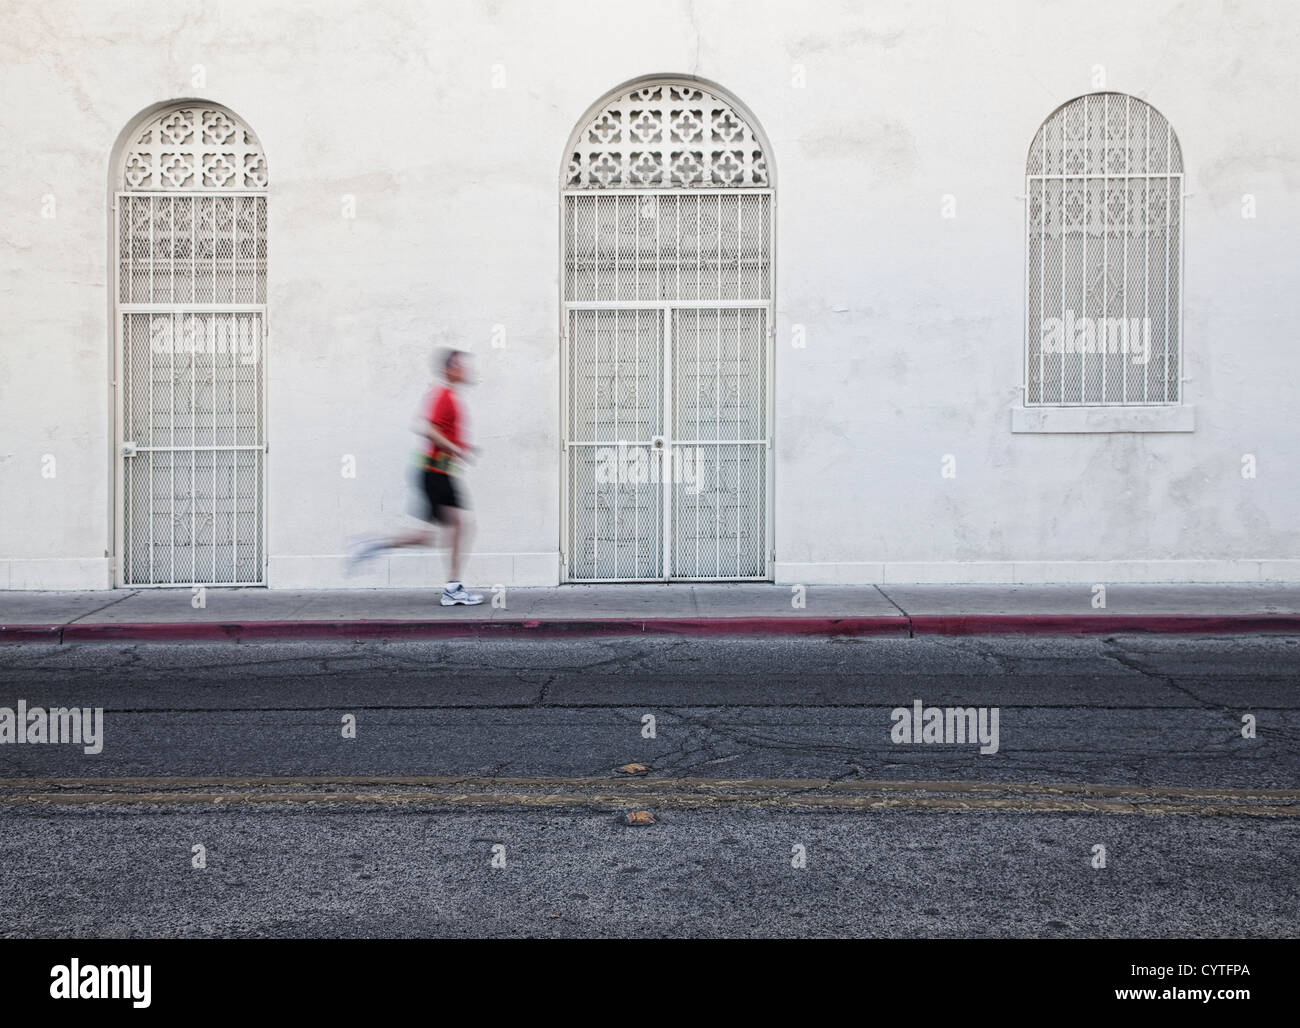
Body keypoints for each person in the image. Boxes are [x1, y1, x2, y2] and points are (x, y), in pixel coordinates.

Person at [347, 348, 484, 605]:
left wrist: (461, 449)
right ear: (449, 369)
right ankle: (374, 545)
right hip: (435, 472)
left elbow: (436, 431)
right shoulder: (444, 395)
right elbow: (426, 429)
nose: (467, 370)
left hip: (439, 472)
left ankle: (374, 545)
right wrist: (455, 449)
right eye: (461, 365)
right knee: (447, 531)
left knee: (449, 530)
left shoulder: (448, 396)